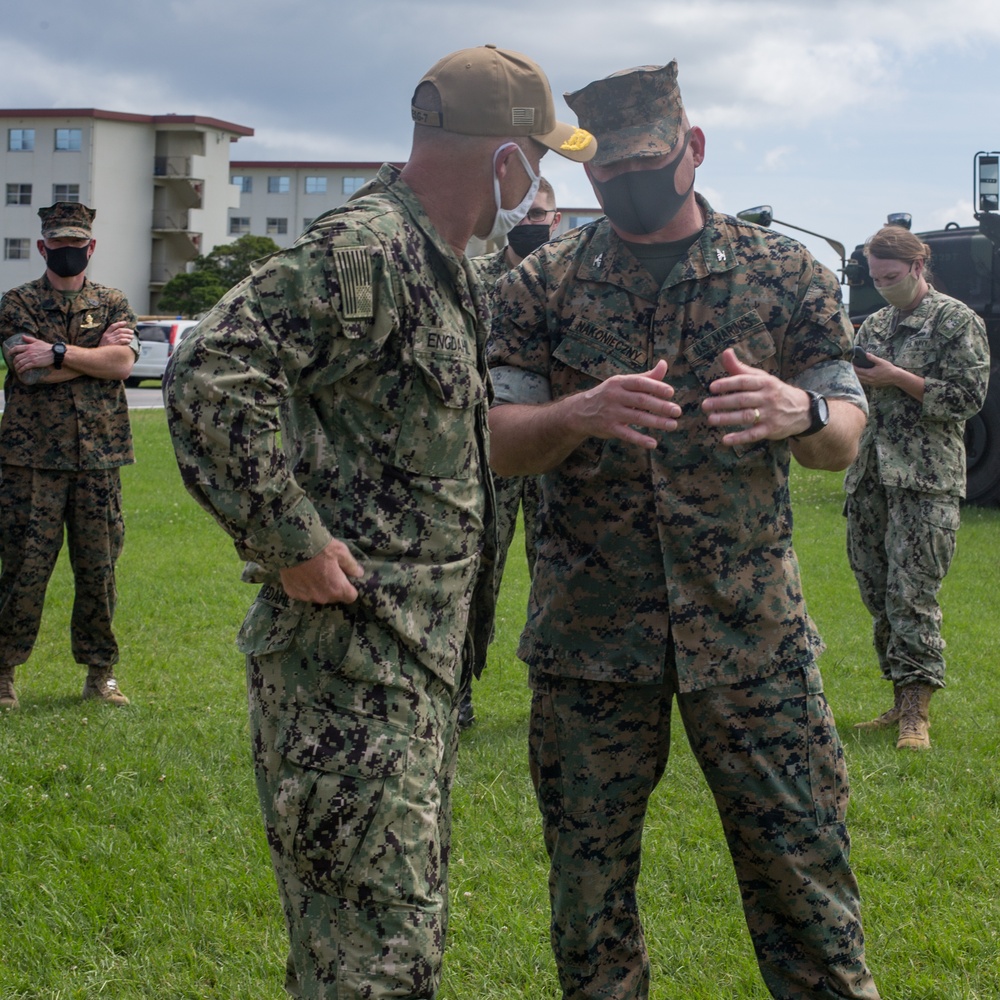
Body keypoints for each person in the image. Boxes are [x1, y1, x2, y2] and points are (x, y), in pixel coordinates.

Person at [162, 44, 594, 1000]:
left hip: (407, 670)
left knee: (386, 946)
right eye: (542, 158)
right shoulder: (370, 248)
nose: (543, 182)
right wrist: (290, 540)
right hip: (348, 677)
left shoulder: (445, 267)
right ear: (504, 159)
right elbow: (210, 369)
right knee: (371, 965)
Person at [488, 61, 880, 999]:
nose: (622, 180)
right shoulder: (540, 284)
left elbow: (846, 433)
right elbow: (500, 443)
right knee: (590, 901)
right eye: (602, 170)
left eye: (645, 161)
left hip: (751, 637)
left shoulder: (787, 274)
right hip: (592, 645)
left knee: (805, 883)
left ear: (692, 150)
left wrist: (803, 412)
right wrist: (577, 413)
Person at [845, 225, 988, 750]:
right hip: (870, 477)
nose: (884, 286)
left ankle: (916, 717)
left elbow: (968, 398)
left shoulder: (956, 321)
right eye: (876, 278)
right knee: (878, 591)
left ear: (917, 267)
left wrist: (898, 378)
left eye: (892, 277)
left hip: (924, 479)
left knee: (914, 593)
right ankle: (899, 698)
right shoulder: (874, 325)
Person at [0, 202, 139, 710]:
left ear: (91, 248)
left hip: (98, 458)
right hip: (30, 460)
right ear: (42, 247)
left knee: (99, 570)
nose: (67, 254)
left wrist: (58, 353)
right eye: (58, 246)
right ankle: (3, 672)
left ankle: (100, 675)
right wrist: (94, 357)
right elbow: (26, 371)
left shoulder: (113, 302)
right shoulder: (16, 303)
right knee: (22, 569)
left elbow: (123, 364)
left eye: (75, 247)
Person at [460, 177, 562, 728]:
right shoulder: (472, 279)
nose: (531, 221)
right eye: (521, 212)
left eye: (540, 212)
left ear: (557, 217)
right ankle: (457, 695)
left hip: (555, 451)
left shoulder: (575, 281)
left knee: (559, 576)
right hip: (484, 452)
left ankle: (554, 695)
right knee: (476, 574)